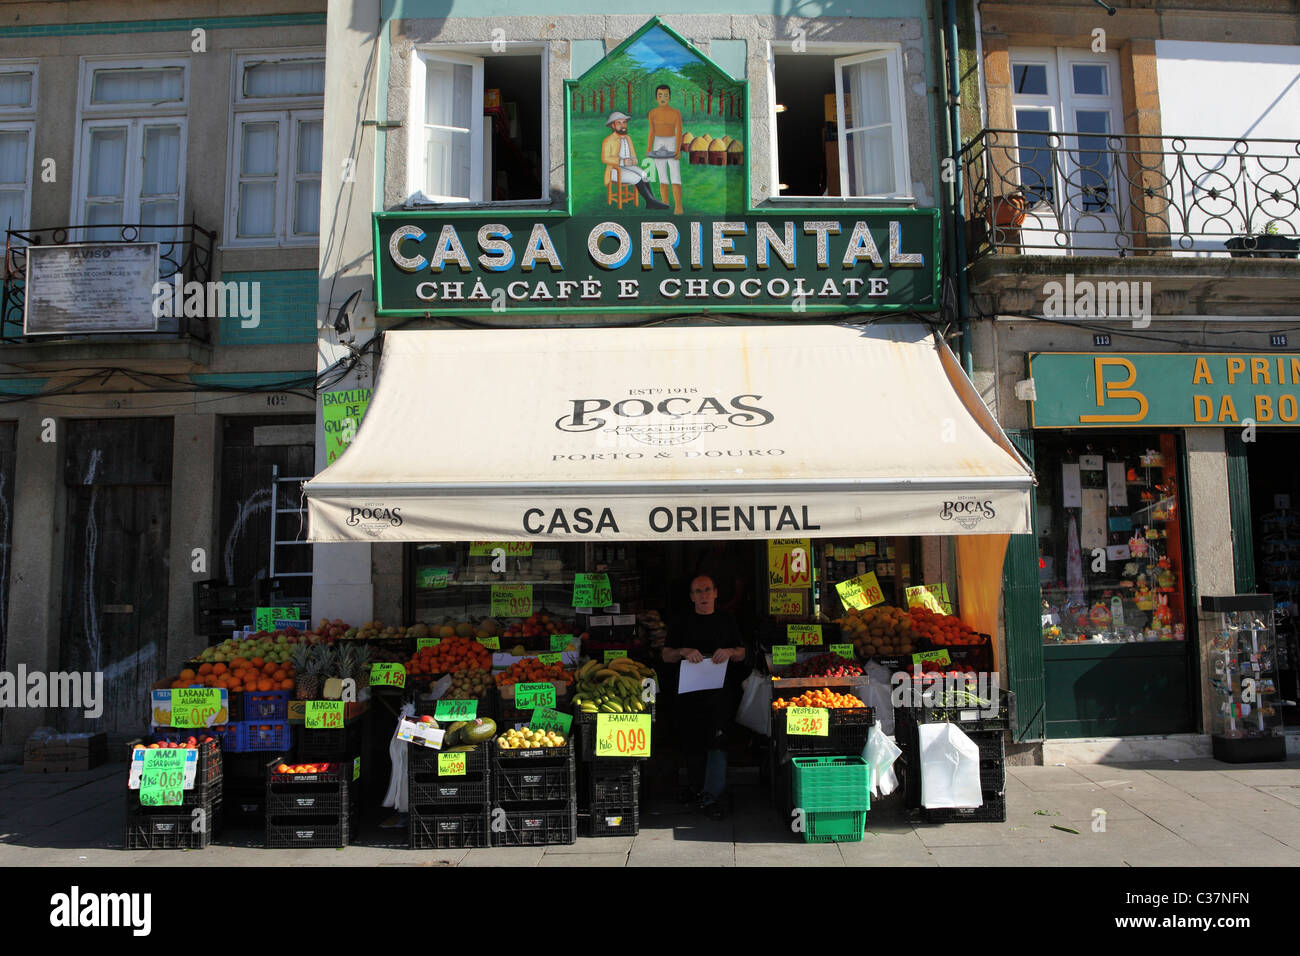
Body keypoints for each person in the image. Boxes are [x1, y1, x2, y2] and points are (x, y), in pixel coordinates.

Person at [661, 573, 749, 818]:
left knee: (717, 742)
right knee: (692, 742)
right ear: (691, 597)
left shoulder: (727, 620)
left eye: (707, 590)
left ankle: (713, 795)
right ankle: (696, 787)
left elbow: (743, 652)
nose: (703, 596)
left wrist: (730, 651)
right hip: (689, 695)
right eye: (698, 592)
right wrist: (683, 651)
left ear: (716, 593)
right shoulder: (681, 622)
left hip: (720, 695)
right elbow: (665, 655)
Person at [600, 111, 669, 210]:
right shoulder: (608, 141)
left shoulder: (628, 138)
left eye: (624, 122)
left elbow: (632, 154)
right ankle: (650, 201)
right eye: (619, 123)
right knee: (637, 178)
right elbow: (605, 158)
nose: (622, 125)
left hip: (628, 167)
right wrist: (622, 162)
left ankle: (652, 200)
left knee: (644, 174)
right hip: (615, 170)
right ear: (613, 126)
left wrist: (633, 160)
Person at [644, 84, 684, 214]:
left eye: (665, 95)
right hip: (658, 143)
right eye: (660, 95)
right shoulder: (653, 113)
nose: (663, 98)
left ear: (669, 97)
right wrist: (649, 149)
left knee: (675, 176)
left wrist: (678, 149)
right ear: (656, 98)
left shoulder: (675, 113)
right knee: (662, 176)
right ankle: (665, 202)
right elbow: (651, 132)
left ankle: (678, 206)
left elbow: (679, 132)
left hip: (672, 141)